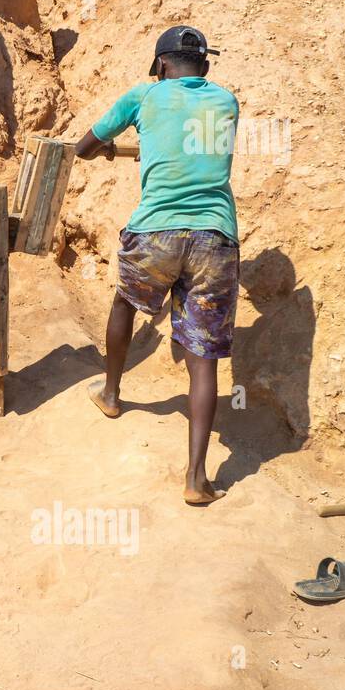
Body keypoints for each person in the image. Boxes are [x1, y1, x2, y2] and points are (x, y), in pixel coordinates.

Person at [74, 25, 240, 505]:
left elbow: (84, 148)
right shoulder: (226, 101)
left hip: (156, 230)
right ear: (205, 66)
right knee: (202, 354)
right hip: (214, 236)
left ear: (161, 65)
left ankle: (110, 394)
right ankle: (197, 477)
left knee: (125, 302)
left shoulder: (143, 96)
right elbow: (198, 148)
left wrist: (121, 146)